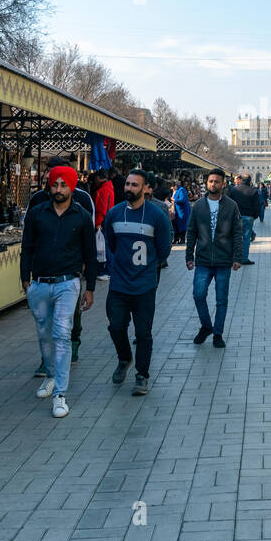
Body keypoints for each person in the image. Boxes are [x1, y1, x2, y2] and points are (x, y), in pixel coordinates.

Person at [19, 166, 97, 419]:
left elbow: (90, 255)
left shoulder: (83, 216)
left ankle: (60, 394)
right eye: (55, 185)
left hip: (68, 283)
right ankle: (51, 375)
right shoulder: (37, 214)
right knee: (43, 332)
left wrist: (91, 288)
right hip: (39, 283)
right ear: (49, 186)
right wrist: (25, 279)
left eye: (64, 185)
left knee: (61, 334)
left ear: (72, 186)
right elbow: (27, 247)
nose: (59, 189)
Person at [103, 169, 173, 395]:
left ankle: (142, 375)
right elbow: (111, 243)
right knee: (115, 326)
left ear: (145, 189)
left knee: (143, 333)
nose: (129, 189)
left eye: (135, 185)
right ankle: (125, 358)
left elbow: (164, 249)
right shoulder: (114, 214)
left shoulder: (156, 216)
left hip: (144, 285)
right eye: (127, 184)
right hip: (119, 284)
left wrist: (150, 268)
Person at [187, 168, 242, 348]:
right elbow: (191, 231)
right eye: (210, 181)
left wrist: (237, 257)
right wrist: (189, 255)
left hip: (223, 260)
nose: (213, 184)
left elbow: (237, 233)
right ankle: (206, 326)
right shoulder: (198, 206)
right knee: (198, 294)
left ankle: (217, 333)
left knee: (221, 300)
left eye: (217, 181)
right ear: (206, 183)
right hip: (202, 259)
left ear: (223, 184)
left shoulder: (231, 206)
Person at [226, 173, 260, 265]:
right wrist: (254, 216)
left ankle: (234, 257)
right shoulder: (253, 191)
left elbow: (229, 203)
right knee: (246, 238)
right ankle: (244, 258)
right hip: (248, 217)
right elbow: (257, 206)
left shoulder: (234, 190)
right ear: (249, 181)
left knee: (235, 237)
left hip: (236, 217)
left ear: (241, 180)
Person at [172, 179, 192, 245]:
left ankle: (182, 239)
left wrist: (174, 200)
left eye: (172, 186)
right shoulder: (176, 190)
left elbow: (182, 200)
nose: (171, 188)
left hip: (182, 211)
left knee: (182, 225)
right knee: (176, 225)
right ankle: (176, 239)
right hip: (177, 211)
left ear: (175, 185)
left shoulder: (181, 190)